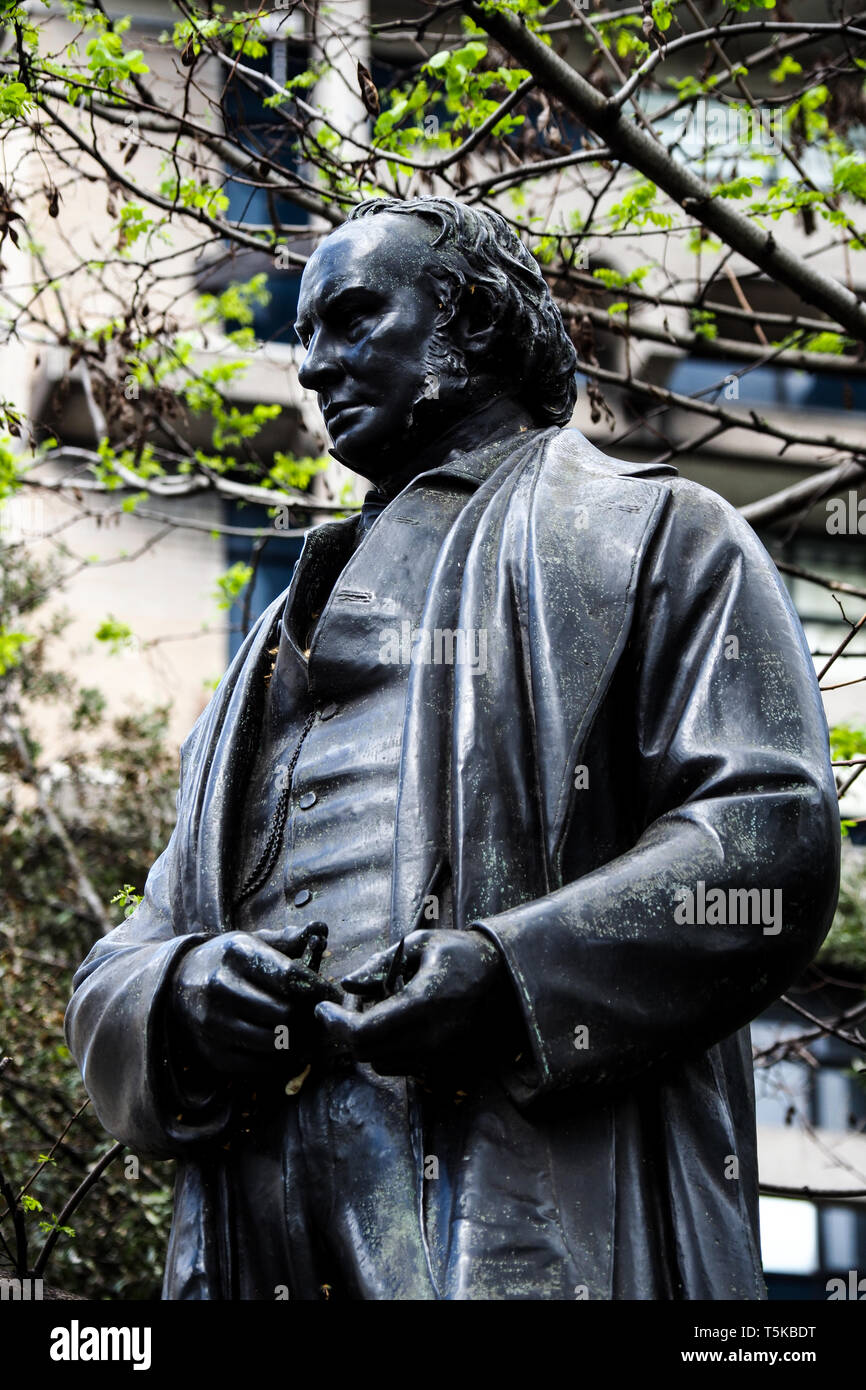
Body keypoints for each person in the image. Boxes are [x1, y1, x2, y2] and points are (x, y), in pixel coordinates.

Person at [66, 197, 840, 1301]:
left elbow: (767, 841)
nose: (311, 367)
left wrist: (507, 971)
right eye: (306, 336)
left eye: (349, 320)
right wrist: (184, 990)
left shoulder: (653, 537)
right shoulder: (257, 664)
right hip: (263, 1231)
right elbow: (121, 960)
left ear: (469, 320)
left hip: (517, 1215)